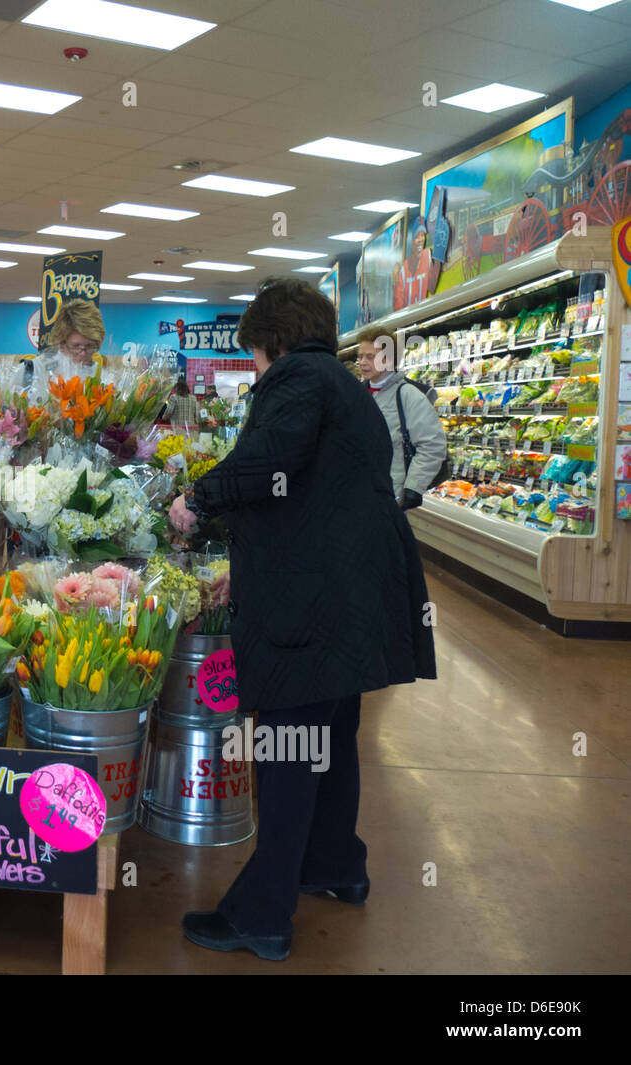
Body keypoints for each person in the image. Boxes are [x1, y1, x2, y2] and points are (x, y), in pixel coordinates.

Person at [179, 277, 436, 962]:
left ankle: (261, 914)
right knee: (333, 732)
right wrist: (252, 557)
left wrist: (196, 500)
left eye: (256, 355)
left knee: (290, 745)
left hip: (315, 603)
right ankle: (335, 865)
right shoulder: (347, 385)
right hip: (358, 590)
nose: (258, 368)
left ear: (274, 341)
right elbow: (314, 491)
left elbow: (266, 465)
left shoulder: (295, 379)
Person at [356, 325, 448, 510]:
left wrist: (413, 487)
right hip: (356, 494)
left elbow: (433, 445)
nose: (362, 362)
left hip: (389, 497)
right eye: (360, 356)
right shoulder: (355, 394)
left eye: (370, 357)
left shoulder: (408, 396)